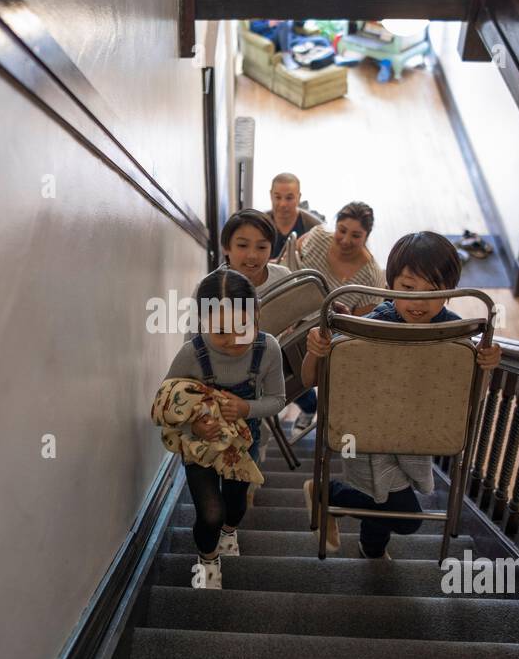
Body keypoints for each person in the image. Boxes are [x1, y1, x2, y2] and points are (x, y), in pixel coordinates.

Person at [299, 232, 501, 558]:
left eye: (434, 291)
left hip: (416, 432)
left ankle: (372, 548)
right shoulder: (366, 327)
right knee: (406, 519)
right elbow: (311, 379)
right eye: (408, 288)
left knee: (385, 498)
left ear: (449, 292)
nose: (419, 302)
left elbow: (469, 396)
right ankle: (328, 494)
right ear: (390, 283)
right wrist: (315, 352)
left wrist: (485, 367)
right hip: (365, 433)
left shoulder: (454, 334)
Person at [162, 269, 286, 588]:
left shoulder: (268, 349)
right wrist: (195, 423)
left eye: (242, 327)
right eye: (219, 331)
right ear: (202, 323)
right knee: (210, 513)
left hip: (242, 447)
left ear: (257, 315)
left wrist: (247, 408)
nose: (231, 340)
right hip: (200, 446)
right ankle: (207, 558)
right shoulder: (193, 353)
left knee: (234, 505)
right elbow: (168, 398)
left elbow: (277, 399)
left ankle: (230, 532)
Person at [285, 201, 387, 432]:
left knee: (289, 373)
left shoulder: (371, 276)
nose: (345, 240)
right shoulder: (319, 236)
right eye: (342, 230)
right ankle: (309, 405)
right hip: (291, 314)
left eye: (356, 235)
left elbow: (358, 328)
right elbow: (292, 255)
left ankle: (316, 411)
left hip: (326, 336)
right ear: (335, 226)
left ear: (366, 236)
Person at [219, 209, 290, 296]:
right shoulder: (210, 289)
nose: (252, 255)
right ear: (225, 247)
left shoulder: (284, 278)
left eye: (261, 247)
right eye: (243, 245)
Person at [264, 173, 321, 259]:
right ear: (271, 195)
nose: (283, 204)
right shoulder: (259, 224)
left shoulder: (313, 227)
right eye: (278, 197)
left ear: (299, 197)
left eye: (289, 198)